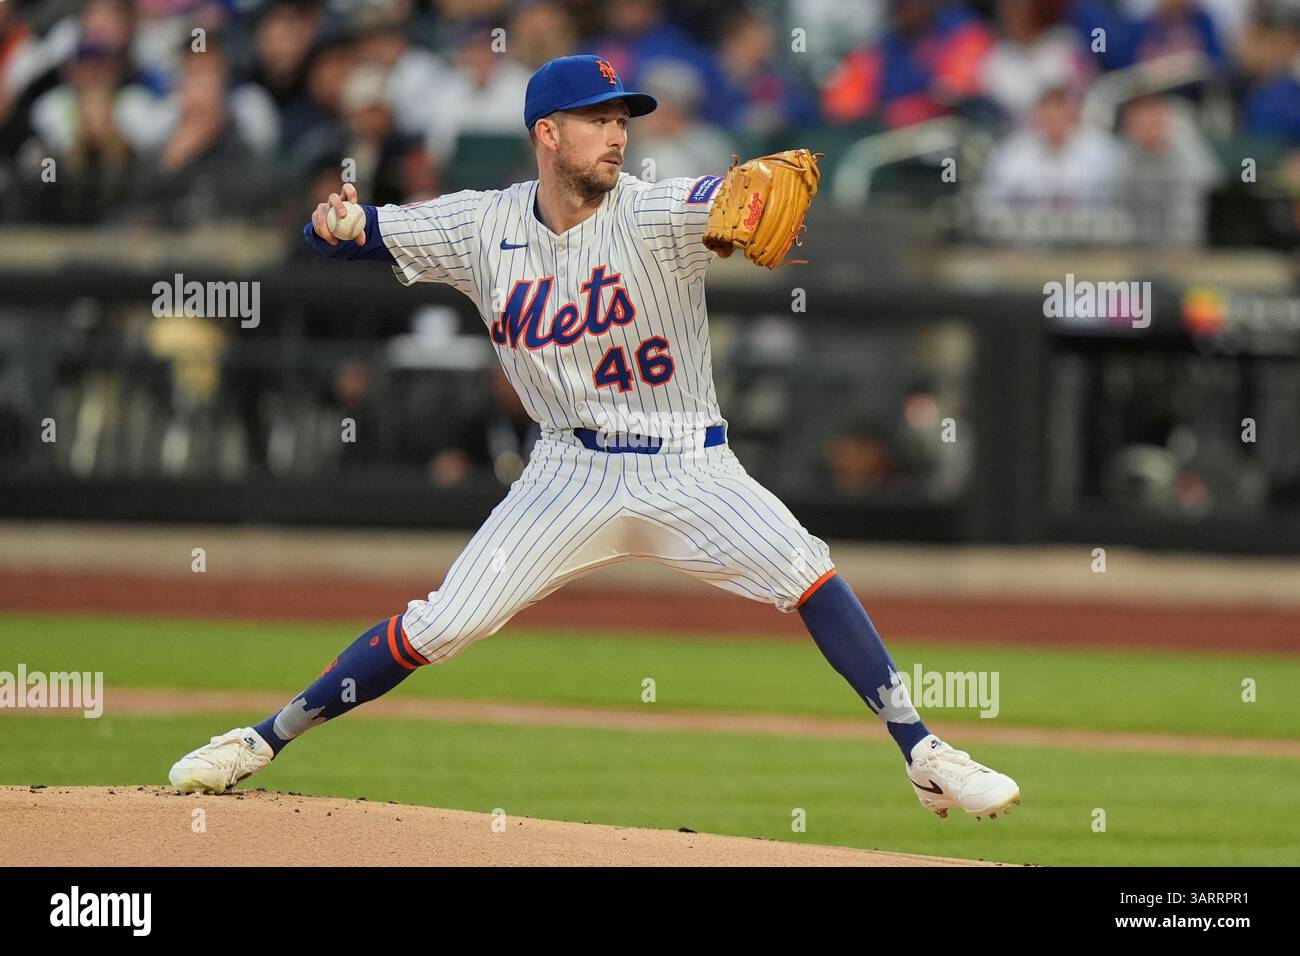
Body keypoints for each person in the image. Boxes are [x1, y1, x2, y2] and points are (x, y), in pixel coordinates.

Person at [168, 54, 1021, 823]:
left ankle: (924, 753)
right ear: (549, 133)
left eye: (623, 119)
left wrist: (741, 198)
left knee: (807, 566)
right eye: (599, 119)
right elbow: (368, 233)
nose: (617, 134)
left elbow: (724, 202)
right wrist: (338, 227)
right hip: (566, 472)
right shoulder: (480, 226)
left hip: (690, 461)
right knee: (441, 625)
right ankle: (261, 739)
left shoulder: (654, 210)